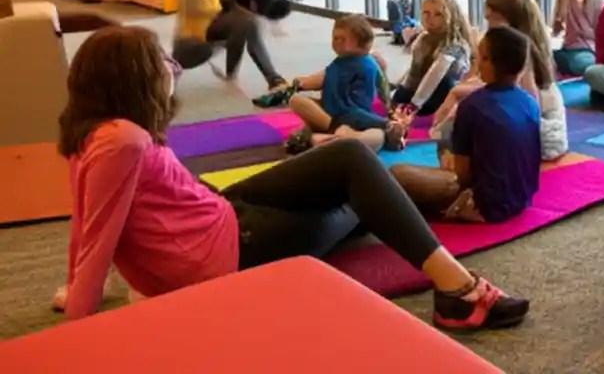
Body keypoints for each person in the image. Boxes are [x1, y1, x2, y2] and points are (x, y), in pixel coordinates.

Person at [53, 25, 528, 330]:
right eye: (159, 59)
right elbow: (98, 236)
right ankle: (459, 292)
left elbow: (86, 224)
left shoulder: (98, 134)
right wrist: (81, 323)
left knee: (350, 161)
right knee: (362, 186)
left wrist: (75, 289)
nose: (171, 67)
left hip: (219, 212)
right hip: (223, 253)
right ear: (130, 77)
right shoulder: (124, 141)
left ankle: (380, 204)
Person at [392, 26, 542, 223]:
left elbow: (461, 177)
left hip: (486, 204)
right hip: (522, 199)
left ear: (487, 61)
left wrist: (451, 167)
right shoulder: (530, 102)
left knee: (397, 174)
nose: (475, 62)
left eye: (478, 57)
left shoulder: (473, 106)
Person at [425, 0, 568, 162]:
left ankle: (457, 171)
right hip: (522, 123)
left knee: (461, 121)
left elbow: (528, 109)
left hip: (540, 132)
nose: (488, 25)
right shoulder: (500, 44)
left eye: (491, 18)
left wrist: (460, 97)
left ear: (508, 19)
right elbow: (476, 78)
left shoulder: (520, 52)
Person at [284, 14, 406, 153]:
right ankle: (335, 137)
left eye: (341, 39)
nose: (336, 42)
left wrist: (385, 122)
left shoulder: (366, 65)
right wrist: (298, 83)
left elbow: (378, 97)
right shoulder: (340, 61)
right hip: (330, 113)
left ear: (361, 44)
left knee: (377, 136)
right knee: (297, 101)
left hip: (353, 115)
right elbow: (321, 78)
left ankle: (324, 139)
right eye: (334, 38)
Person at [388, 0, 473, 120]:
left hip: (445, 95)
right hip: (424, 90)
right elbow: (414, 72)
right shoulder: (424, 38)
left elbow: (435, 74)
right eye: (426, 12)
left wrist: (413, 106)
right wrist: (399, 94)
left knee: (445, 82)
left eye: (438, 14)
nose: (429, 18)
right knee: (397, 100)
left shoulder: (455, 44)